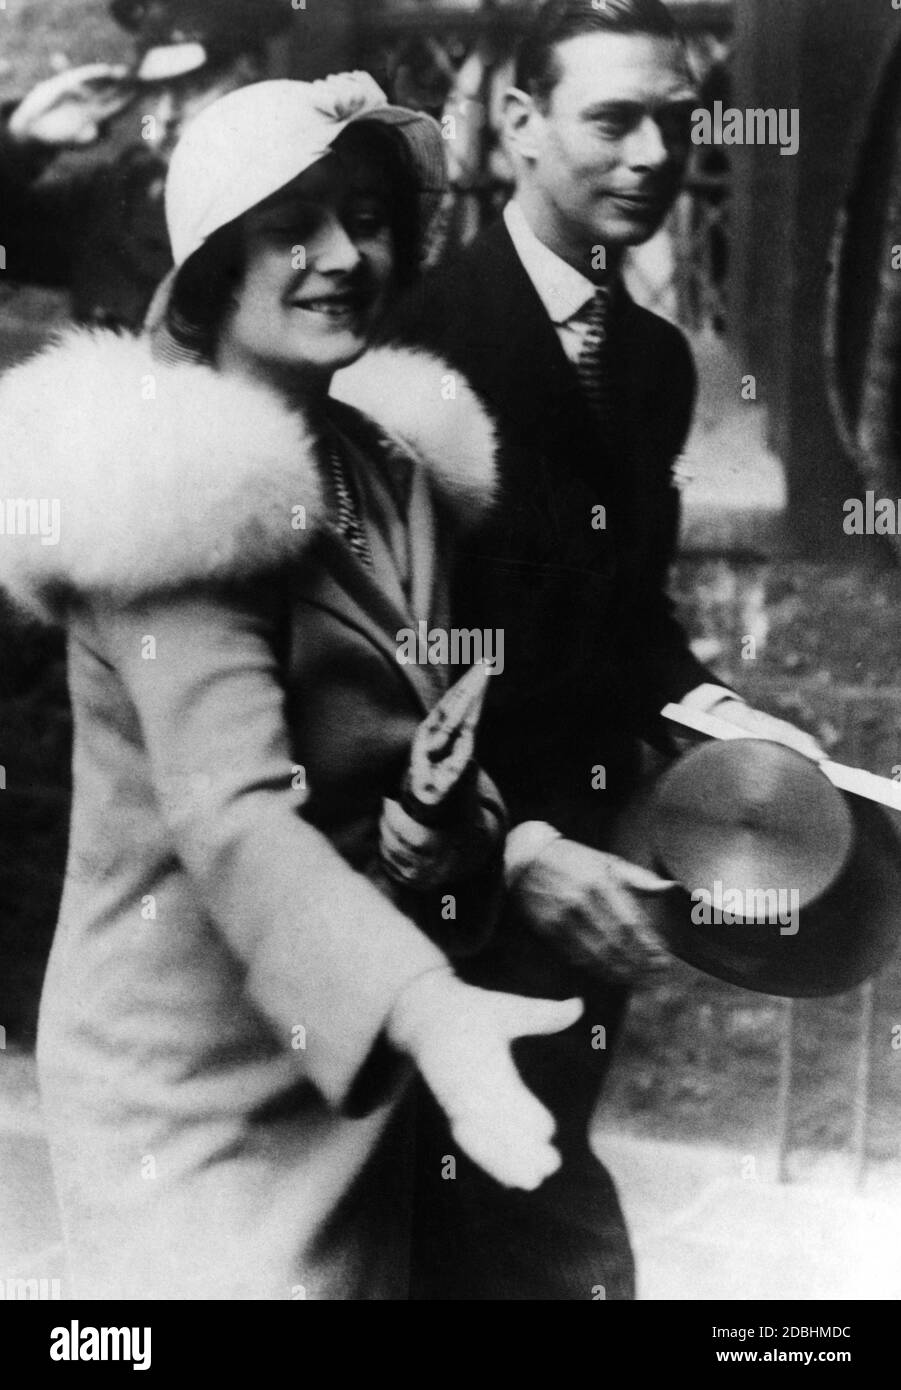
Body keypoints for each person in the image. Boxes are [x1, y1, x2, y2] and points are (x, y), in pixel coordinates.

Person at [0, 74, 586, 1300]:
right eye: (295, 224)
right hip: (193, 1086)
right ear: (214, 262)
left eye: (369, 216)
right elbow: (234, 817)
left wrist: (442, 827)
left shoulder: (383, 465)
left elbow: (400, 751)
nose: (345, 256)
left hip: (337, 1052)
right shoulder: (168, 496)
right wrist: (428, 1010)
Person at [398, 0, 823, 1300]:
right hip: (431, 883)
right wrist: (506, 844)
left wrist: (720, 712)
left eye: (676, 122)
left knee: (516, 1191)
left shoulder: (648, 361)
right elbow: (370, 663)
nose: (653, 155)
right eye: (615, 118)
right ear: (518, 125)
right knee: (505, 1224)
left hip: (590, 883)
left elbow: (624, 613)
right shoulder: (410, 341)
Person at [0, 0, 287, 329]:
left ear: (251, 75)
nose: (166, 117)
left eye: (193, 88)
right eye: (155, 92)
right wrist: (19, 138)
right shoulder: (118, 198)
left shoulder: (312, 201)